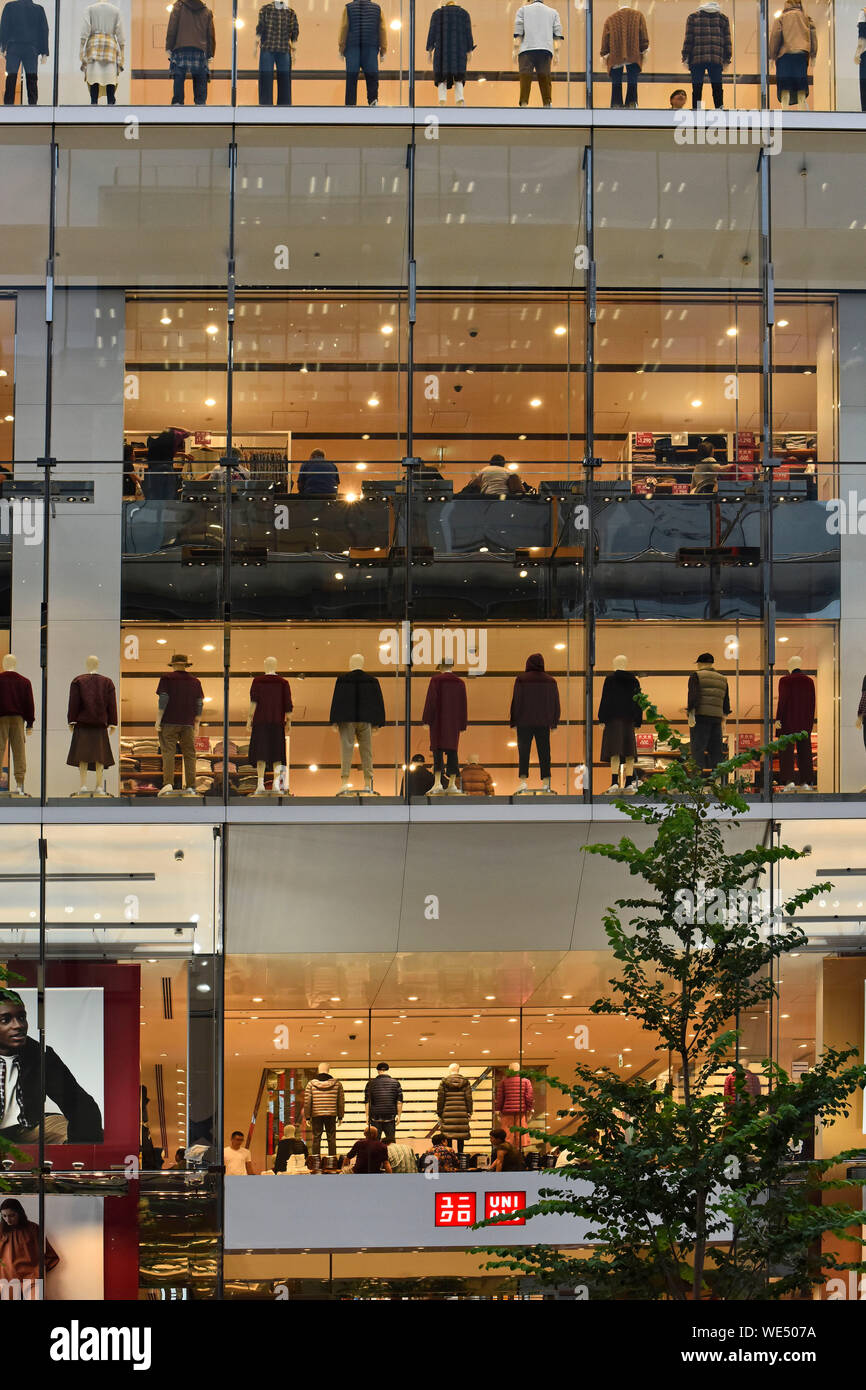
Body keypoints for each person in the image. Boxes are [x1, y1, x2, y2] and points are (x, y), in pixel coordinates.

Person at [0, 987, 103, 1144]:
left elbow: (76, 1101)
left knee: (83, 1132)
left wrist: (82, 1143)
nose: (18, 1025)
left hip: (26, 1128)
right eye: (5, 1020)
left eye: (21, 1017)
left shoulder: (39, 1055)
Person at [0, 1199, 59, 1286]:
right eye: (4, 1216)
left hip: (31, 1279)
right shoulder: (1, 1230)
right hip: (6, 1279)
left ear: (20, 1213)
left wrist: (38, 1271)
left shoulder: (34, 1229)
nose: (8, 1220)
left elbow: (50, 1255)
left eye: (12, 1215)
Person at [364, 1061, 403, 1144]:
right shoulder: (396, 1083)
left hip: (375, 1117)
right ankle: (391, 1156)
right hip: (390, 1116)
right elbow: (399, 1102)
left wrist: (367, 1115)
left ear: (378, 1071)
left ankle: (376, 1157)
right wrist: (398, 1115)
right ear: (388, 1070)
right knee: (391, 1142)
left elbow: (367, 1102)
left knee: (374, 1142)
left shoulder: (370, 1083)